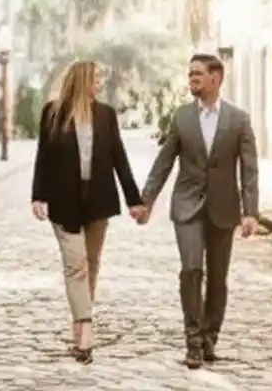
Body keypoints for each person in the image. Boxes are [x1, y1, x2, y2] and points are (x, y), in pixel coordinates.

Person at [136, 53, 259, 369]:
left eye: (198, 74)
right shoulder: (181, 118)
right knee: (192, 270)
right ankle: (192, 340)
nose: (192, 79)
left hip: (224, 208)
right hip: (187, 206)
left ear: (216, 78)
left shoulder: (239, 119)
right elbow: (164, 161)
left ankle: (209, 338)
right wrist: (146, 200)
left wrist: (250, 211)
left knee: (218, 279)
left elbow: (249, 169)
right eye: (189, 74)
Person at [30, 60, 145, 364]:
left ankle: (79, 327)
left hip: (98, 200)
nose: (99, 85)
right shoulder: (54, 112)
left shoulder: (105, 114)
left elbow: (119, 157)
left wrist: (134, 200)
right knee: (75, 265)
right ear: (81, 81)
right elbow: (44, 156)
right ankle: (86, 328)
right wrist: (38, 195)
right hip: (64, 200)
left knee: (91, 263)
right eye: (95, 79)